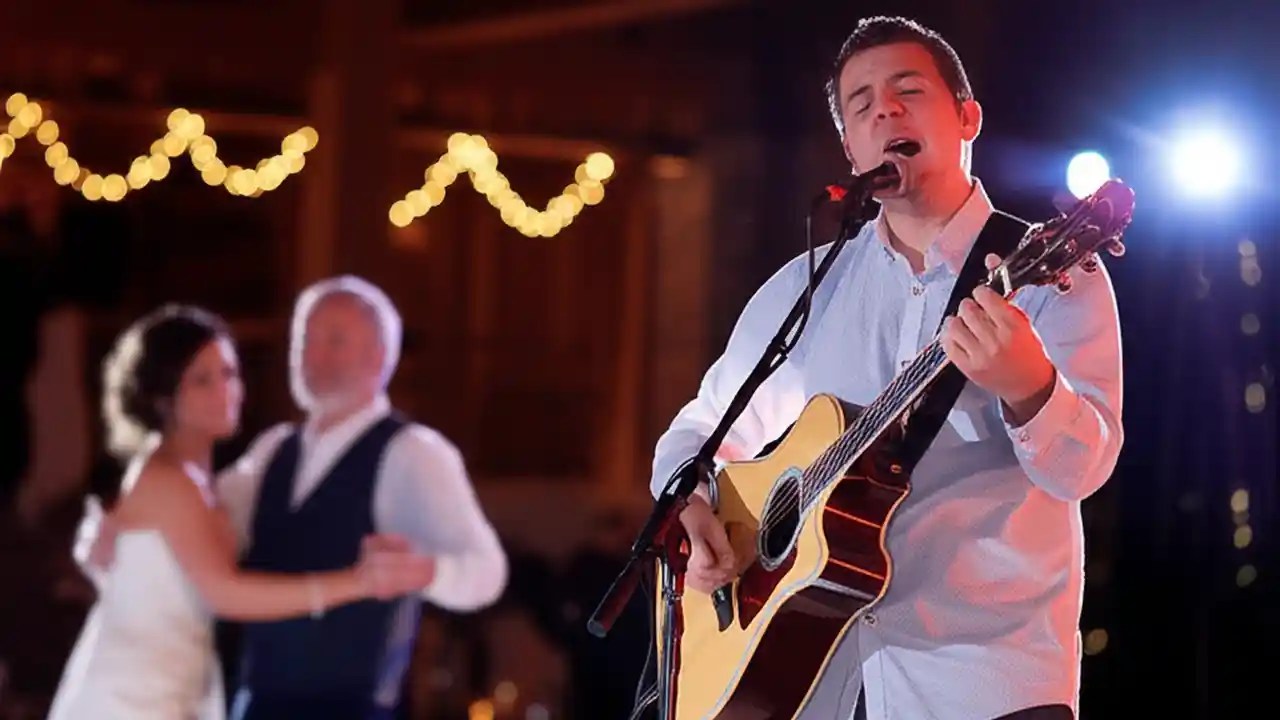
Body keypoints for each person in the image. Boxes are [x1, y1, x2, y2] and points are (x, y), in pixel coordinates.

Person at [649, 15, 1122, 720]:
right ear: (849, 146)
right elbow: (704, 426)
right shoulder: (806, 288)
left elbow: (1084, 469)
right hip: (810, 680)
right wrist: (690, 504)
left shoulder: (1052, 273)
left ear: (967, 118)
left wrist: (1029, 388)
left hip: (984, 678)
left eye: (909, 92)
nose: (886, 111)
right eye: (863, 105)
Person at [82, 275, 508, 719]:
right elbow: (193, 520)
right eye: (304, 340)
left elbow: (487, 572)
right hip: (256, 704)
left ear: (378, 356)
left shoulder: (412, 453)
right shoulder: (273, 451)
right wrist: (114, 532)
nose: (312, 356)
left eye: (334, 341)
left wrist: (426, 572)